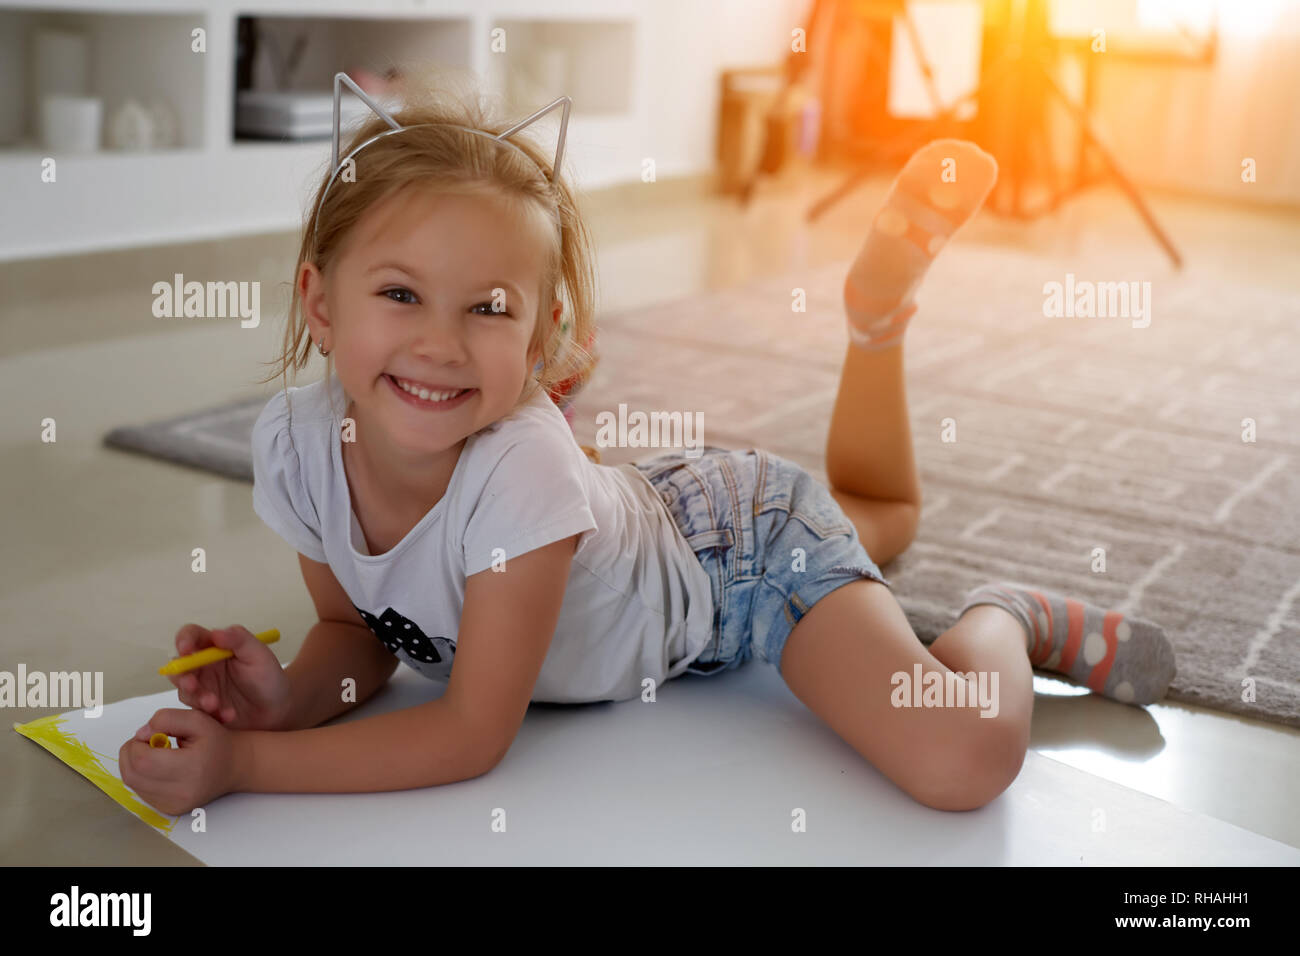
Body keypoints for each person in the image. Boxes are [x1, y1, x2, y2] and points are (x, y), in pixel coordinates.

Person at [119, 77, 1175, 817]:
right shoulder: (300, 446)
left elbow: (469, 736)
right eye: (399, 293)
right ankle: (874, 325)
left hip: (747, 557)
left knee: (960, 757)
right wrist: (290, 696)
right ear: (318, 298)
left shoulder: (517, 462)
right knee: (881, 524)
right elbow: (360, 632)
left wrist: (251, 764)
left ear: (541, 339)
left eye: (488, 307)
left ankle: (1004, 613)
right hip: (653, 512)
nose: (439, 341)